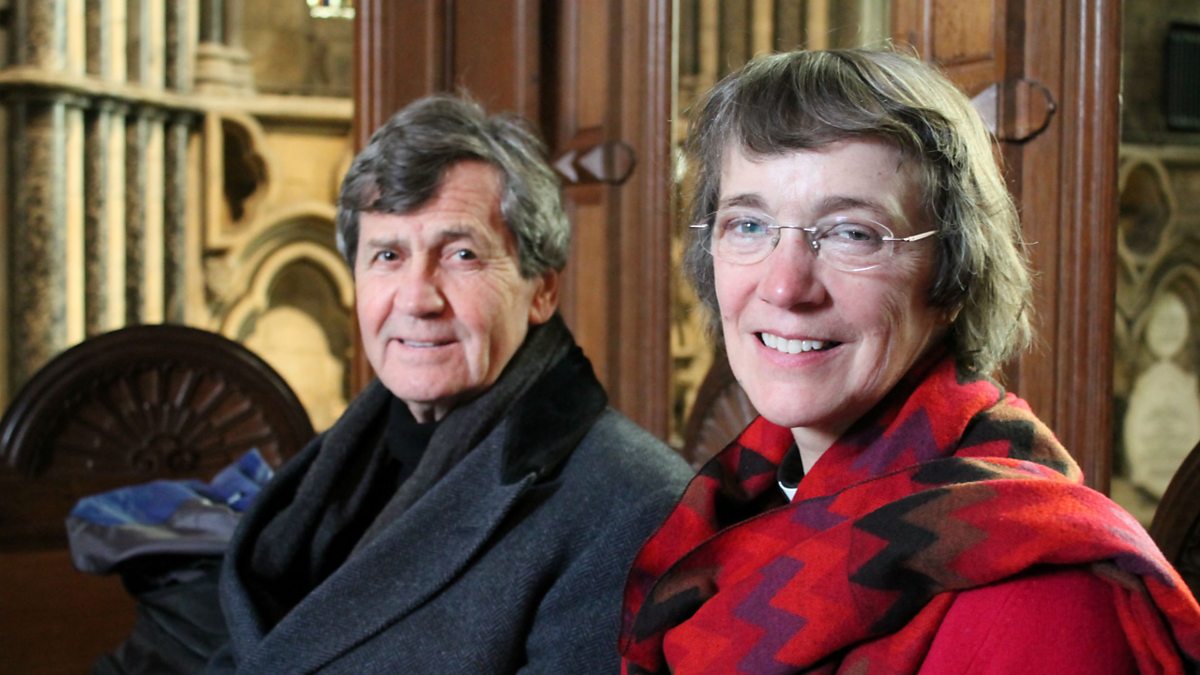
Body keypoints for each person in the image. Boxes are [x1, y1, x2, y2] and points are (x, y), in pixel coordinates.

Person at [619, 48, 1200, 674]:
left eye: (851, 233)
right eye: (749, 225)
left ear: (951, 278)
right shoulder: (734, 504)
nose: (784, 287)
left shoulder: (1047, 603)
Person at [208, 94, 692, 673]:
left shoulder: (638, 509)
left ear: (541, 291)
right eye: (387, 255)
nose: (417, 298)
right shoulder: (340, 467)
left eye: (462, 255)